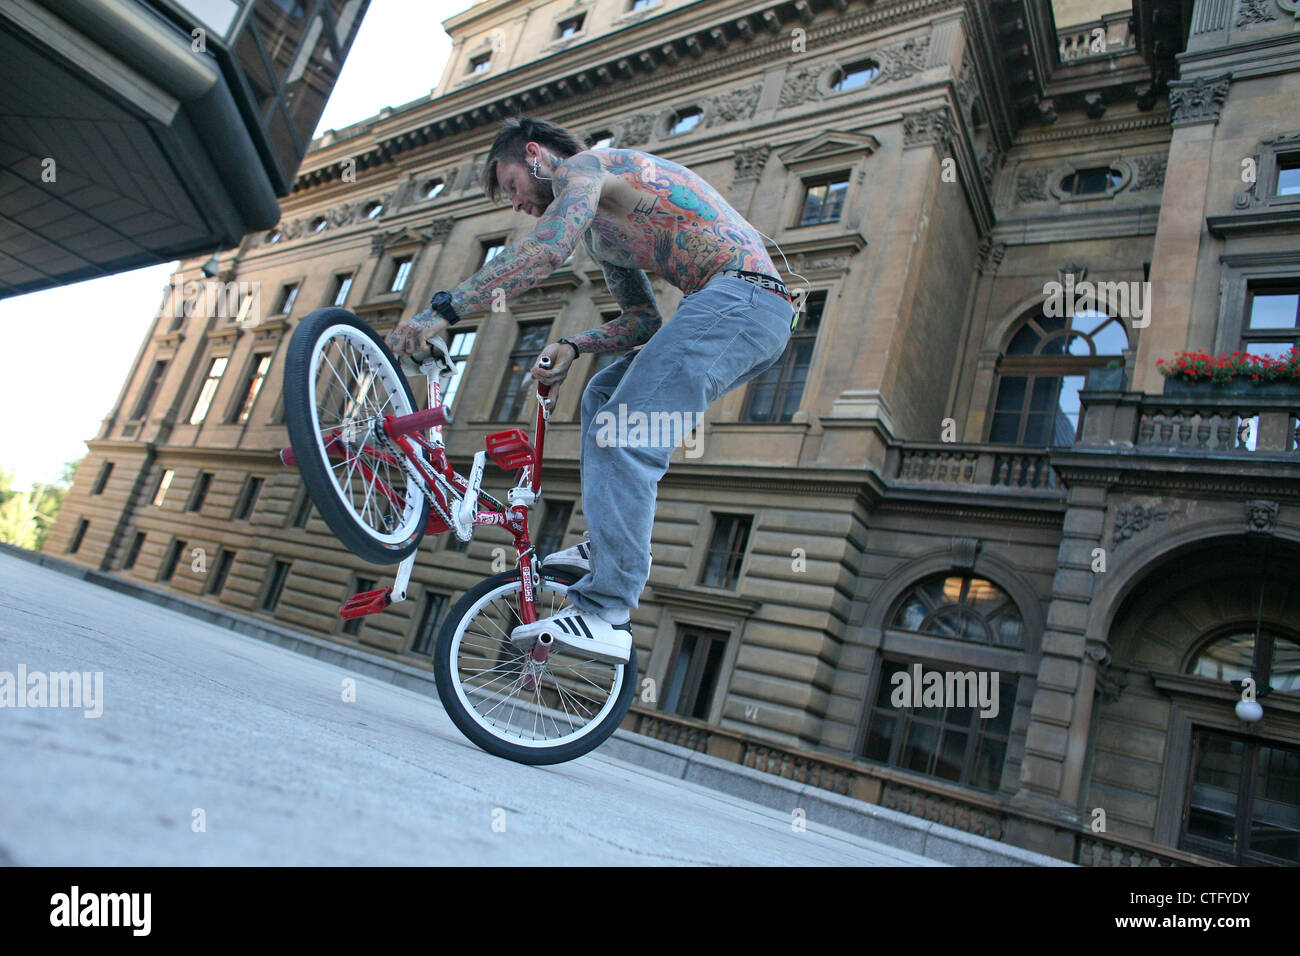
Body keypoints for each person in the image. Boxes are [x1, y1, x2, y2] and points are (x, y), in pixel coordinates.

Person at [387, 116, 796, 664]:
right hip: (739, 312)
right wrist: (576, 345)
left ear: (535, 156)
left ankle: (609, 604)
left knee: (628, 435)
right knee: (603, 396)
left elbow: (549, 248)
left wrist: (445, 310)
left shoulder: (589, 167)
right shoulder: (607, 238)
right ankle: (609, 543)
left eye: (511, 185)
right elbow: (642, 321)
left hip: (743, 299)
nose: (515, 203)